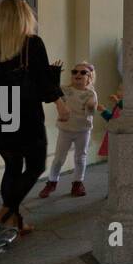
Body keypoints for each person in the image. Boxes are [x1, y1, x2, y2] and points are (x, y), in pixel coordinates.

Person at [0, 0, 65, 235]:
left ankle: (14, 220)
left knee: (12, 166)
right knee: (36, 165)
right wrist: (61, 104)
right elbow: (42, 82)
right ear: (24, 17)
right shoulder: (32, 43)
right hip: (26, 115)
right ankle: (5, 212)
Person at [39, 61, 98, 197]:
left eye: (83, 72)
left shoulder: (91, 94)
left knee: (80, 157)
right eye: (74, 72)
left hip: (83, 130)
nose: (78, 74)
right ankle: (52, 182)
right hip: (66, 129)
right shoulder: (65, 89)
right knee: (59, 158)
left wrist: (91, 106)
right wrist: (53, 74)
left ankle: (77, 183)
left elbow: (91, 108)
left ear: (89, 77)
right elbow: (52, 90)